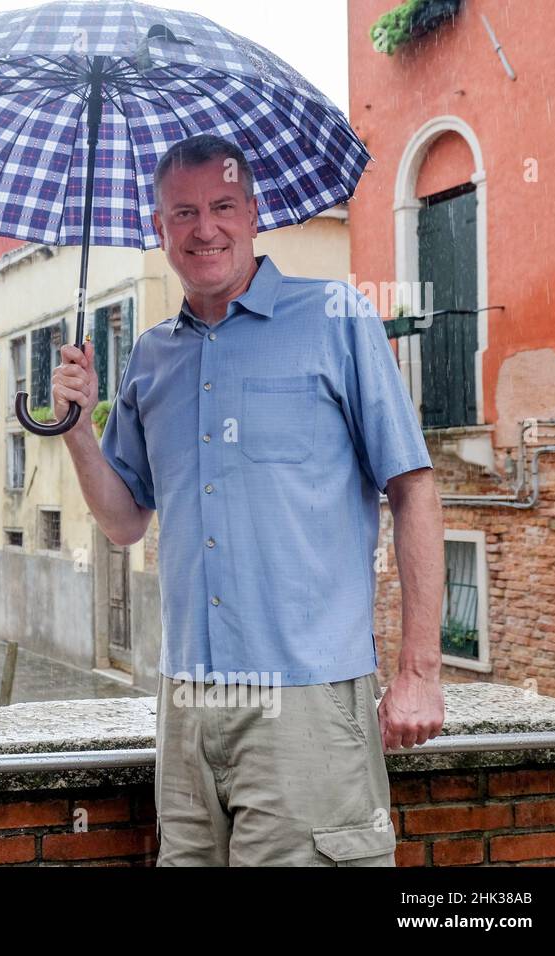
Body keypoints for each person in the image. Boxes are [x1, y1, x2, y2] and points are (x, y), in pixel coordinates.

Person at [53, 133, 446, 866]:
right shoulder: (149, 356)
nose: (205, 228)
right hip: (186, 707)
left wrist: (420, 673)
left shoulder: (337, 316)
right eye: (183, 213)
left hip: (308, 704)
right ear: (160, 230)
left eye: (223, 205)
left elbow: (414, 486)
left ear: (254, 212)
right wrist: (78, 430)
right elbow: (123, 524)